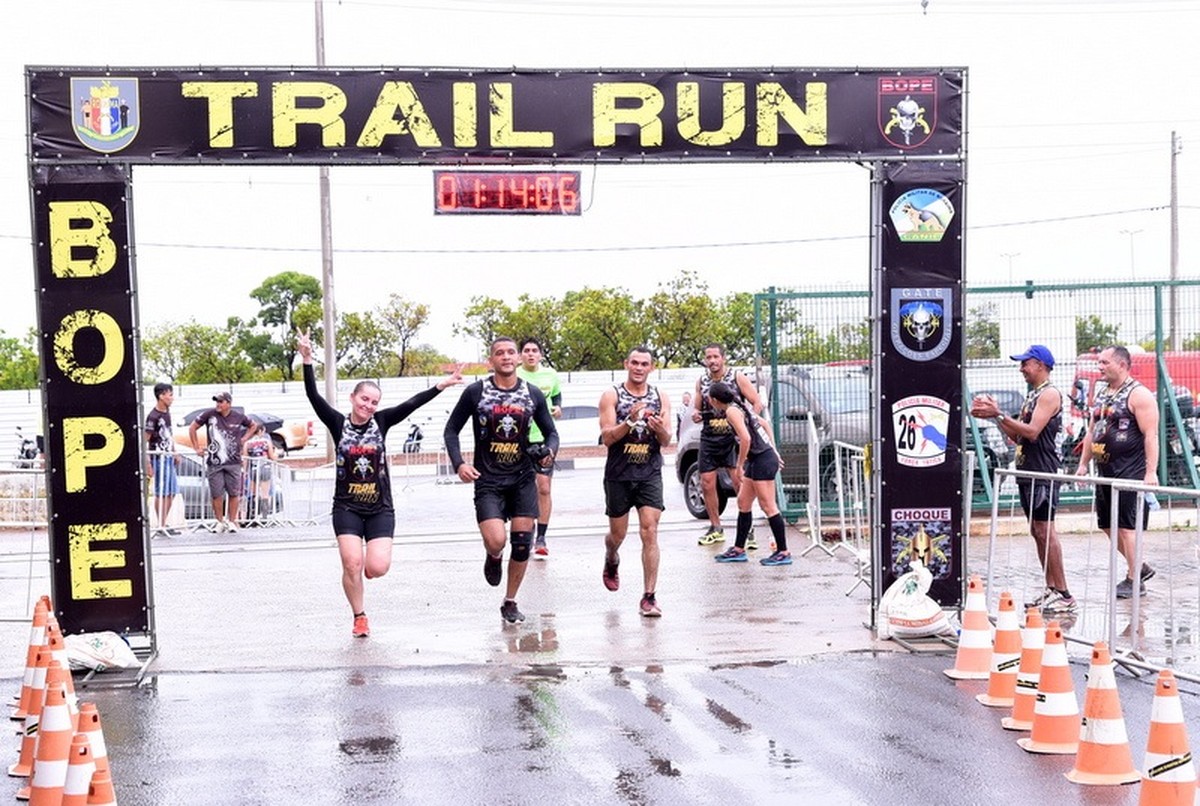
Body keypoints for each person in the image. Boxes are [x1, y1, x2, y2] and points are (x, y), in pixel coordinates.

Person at [299, 329, 463, 638]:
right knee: (352, 563)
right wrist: (307, 360)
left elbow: (412, 403)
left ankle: (363, 576)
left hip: (380, 508)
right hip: (347, 507)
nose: (368, 405)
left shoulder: (382, 422)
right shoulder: (338, 423)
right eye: (364, 399)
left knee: (376, 568)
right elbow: (313, 396)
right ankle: (359, 616)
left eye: (374, 402)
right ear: (352, 398)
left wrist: (442, 385)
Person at [444, 336, 559, 624]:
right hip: (488, 480)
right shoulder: (476, 392)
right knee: (497, 541)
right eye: (499, 353)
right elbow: (451, 430)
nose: (506, 357)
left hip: (522, 478)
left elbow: (551, 433)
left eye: (510, 352)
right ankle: (493, 555)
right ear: (491, 360)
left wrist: (549, 453)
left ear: (518, 358)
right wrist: (459, 464)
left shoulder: (532, 393)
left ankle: (510, 601)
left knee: (521, 544)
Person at [971, 345, 1073, 613]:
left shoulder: (1049, 393)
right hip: (1028, 471)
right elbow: (1018, 436)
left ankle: (1064, 594)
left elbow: (1032, 432)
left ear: (1040, 364)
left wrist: (999, 414)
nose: (1021, 369)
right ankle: (1051, 588)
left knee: (1046, 530)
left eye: (1025, 363)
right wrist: (997, 418)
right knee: (1037, 530)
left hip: (1044, 472)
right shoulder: (1033, 395)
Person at [1075, 345, 1161, 599]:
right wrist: (1083, 464)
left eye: (1105, 362)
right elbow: (1092, 431)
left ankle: (1134, 580)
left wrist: (1151, 472)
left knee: (1126, 527)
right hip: (1106, 471)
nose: (1099, 367)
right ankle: (1140, 565)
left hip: (1129, 472)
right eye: (1099, 362)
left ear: (1122, 365)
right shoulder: (1103, 393)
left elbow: (1151, 435)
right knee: (1106, 525)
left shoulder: (1139, 395)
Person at [599, 346, 672, 617]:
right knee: (617, 535)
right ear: (626, 364)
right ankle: (611, 557)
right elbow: (607, 438)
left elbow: (667, 440)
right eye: (635, 363)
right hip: (619, 474)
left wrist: (660, 429)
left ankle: (649, 596)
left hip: (649, 473)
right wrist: (629, 421)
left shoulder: (660, 396)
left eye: (644, 364)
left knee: (649, 530)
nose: (639, 368)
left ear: (651, 367)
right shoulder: (612, 395)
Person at [708, 381, 792, 566]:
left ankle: (783, 551)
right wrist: (773, 449)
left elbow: (745, 438)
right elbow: (764, 424)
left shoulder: (732, 411)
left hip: (762, 459)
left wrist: (739, 465)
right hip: (757, 459)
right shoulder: (738, 406)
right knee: (743, 502)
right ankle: (739, 549)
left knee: (768, 506)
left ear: (714, 400)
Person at [692, 343, 763, 546]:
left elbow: (757, 402)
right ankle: (716, 527)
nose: (712, 361)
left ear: (723, 358)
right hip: (709, 437)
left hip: (732, 437)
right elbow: (696, 409)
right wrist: (696, 415)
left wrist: (748, 424)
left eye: (716, 357)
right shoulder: (702, 381)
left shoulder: (736, 377)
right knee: (706, 482)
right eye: (709, 357)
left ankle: (748, 529)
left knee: (739, 482)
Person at [515, 338, 563, 558]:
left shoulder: (550, 374)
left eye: (535, 350)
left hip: (543, 438)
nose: (531, 354)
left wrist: (558, 407)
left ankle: (541, 538)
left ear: (541, 355)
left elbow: (556, 395)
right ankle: (526, 531)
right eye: (526, 350)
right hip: (519, 440)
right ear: (520, 356)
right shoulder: (514, 374)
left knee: (544, 488)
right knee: (524, 489)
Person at [188, 391, 259, 533]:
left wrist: (245, 439)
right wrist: (196, 447)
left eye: (221, 402)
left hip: (234, 461)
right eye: (217, 402)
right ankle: (219, 521)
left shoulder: (238, 416)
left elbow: (253, 425)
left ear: (229, 403)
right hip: (215, 462)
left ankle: (232, 521)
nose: (218, 404)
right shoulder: (209, 414)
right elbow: (192, 427)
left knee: (234, 492)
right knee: (216, 494)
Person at [145, 382, 181, 536]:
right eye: (169, 395)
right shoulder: (153, 416)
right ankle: (160, 524)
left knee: (171, 491)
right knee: (161, 492)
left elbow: (169, 435)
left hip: (168, 456)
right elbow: (145, 440)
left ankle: (164, 522)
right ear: (161, 396)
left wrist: (174, 452)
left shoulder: (167, 413)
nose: (172, 398)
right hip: (158, 457)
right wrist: (147, 461)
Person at [241, 424, 279, 522]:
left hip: (253, 469)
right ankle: (264, 516)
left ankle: (253, 514)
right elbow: (272, 457)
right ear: (261, 431)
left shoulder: (247, 443)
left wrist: (245, 472)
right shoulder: (266, 442)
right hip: (265, 467)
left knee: (254, 494)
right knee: (265, 494)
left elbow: (245, 459)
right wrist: (277, 454)